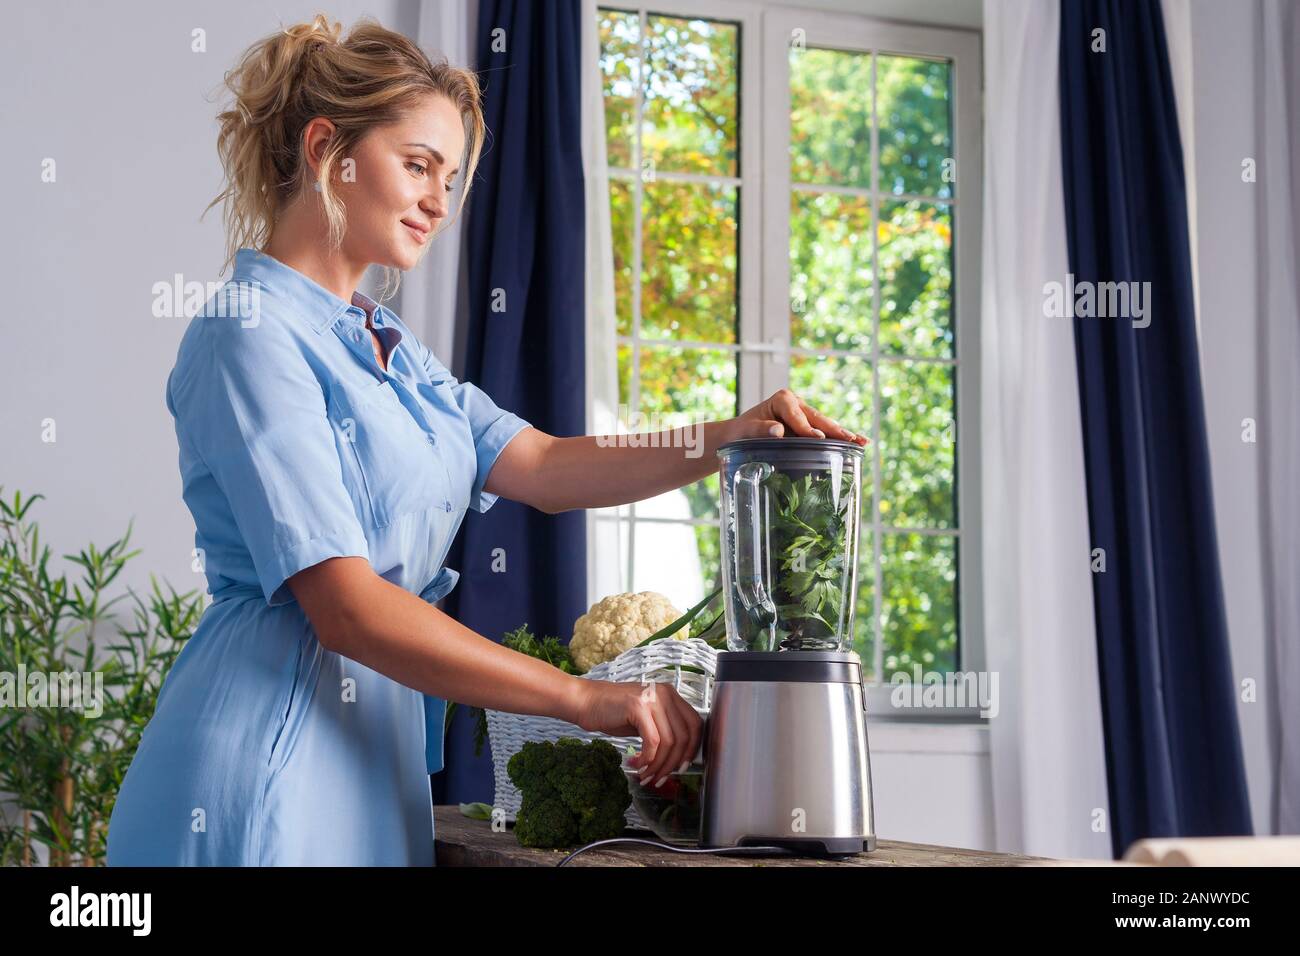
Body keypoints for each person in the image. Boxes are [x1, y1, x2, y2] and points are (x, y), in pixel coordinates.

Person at [105, 14, 867, 866]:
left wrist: (727, 436)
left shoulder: (387, 346)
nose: (440, 200)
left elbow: (540, 464)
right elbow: (347, 606)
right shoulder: (251, 334)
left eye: (453, 176)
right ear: (329, 151)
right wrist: (586, 699)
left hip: (374, 760)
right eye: (418, 165)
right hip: (264, 760)